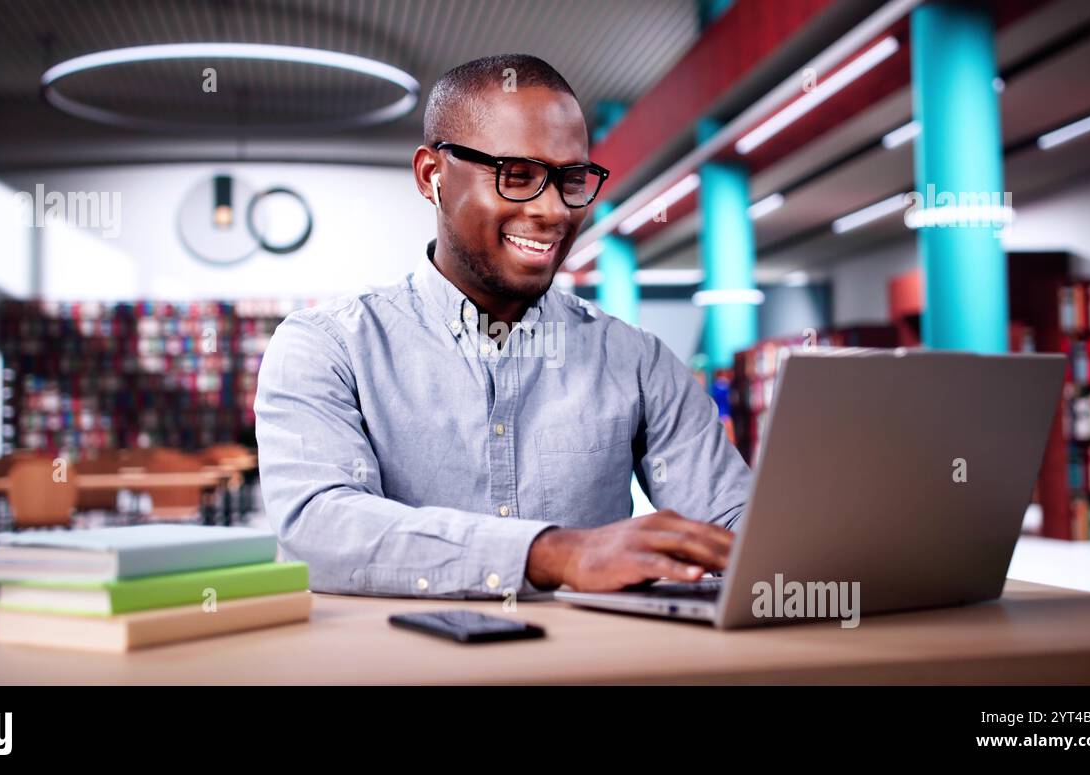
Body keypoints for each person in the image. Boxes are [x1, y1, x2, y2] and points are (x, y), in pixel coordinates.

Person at [255, 54, 752, 598]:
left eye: (572, 179)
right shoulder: (327, 347)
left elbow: (730, 516)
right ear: (431, 176)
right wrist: (553, 554)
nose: (555, 211)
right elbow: (320, 528)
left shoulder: (636, 360)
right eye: (518, 176)